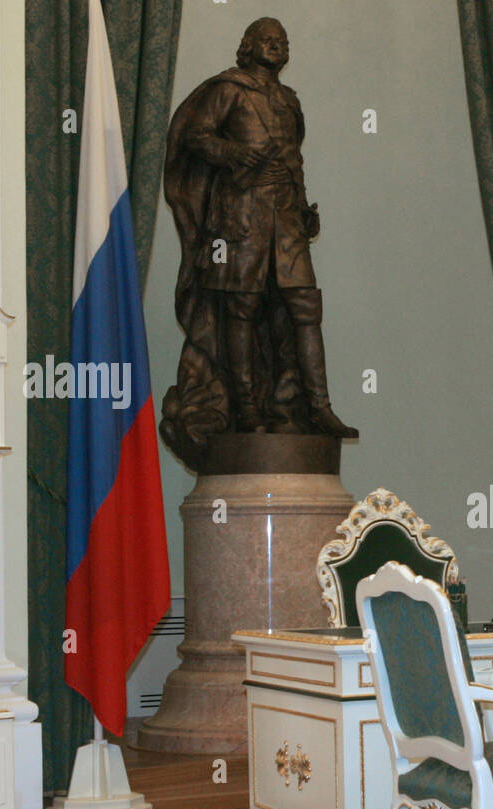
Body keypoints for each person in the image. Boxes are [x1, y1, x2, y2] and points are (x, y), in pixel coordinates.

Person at [162, 16, 357, 470]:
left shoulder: (289, 101)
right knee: (242, 307)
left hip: (286, 217)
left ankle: (318, 407)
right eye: (267, 40)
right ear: (248, 46)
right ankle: (246, 408)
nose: (276, 46)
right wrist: (233, 154)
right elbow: (193, 136)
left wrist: (305, 206)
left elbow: (295, 159)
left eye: (282, 41)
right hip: (242, 215)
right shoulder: (228, 89)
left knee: (304, 305)